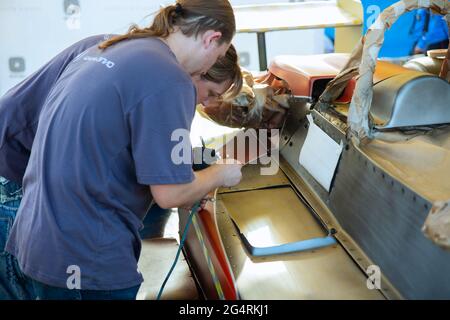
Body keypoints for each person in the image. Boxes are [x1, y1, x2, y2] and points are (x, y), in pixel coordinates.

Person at [4, 0, 243, 300]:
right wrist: (221, 173)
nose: (209, 67)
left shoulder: (111, 47)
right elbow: (170, 193)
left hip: (37, 244)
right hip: (87, 260)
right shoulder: (171, 77)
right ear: (212, 39)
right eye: (218, 56)